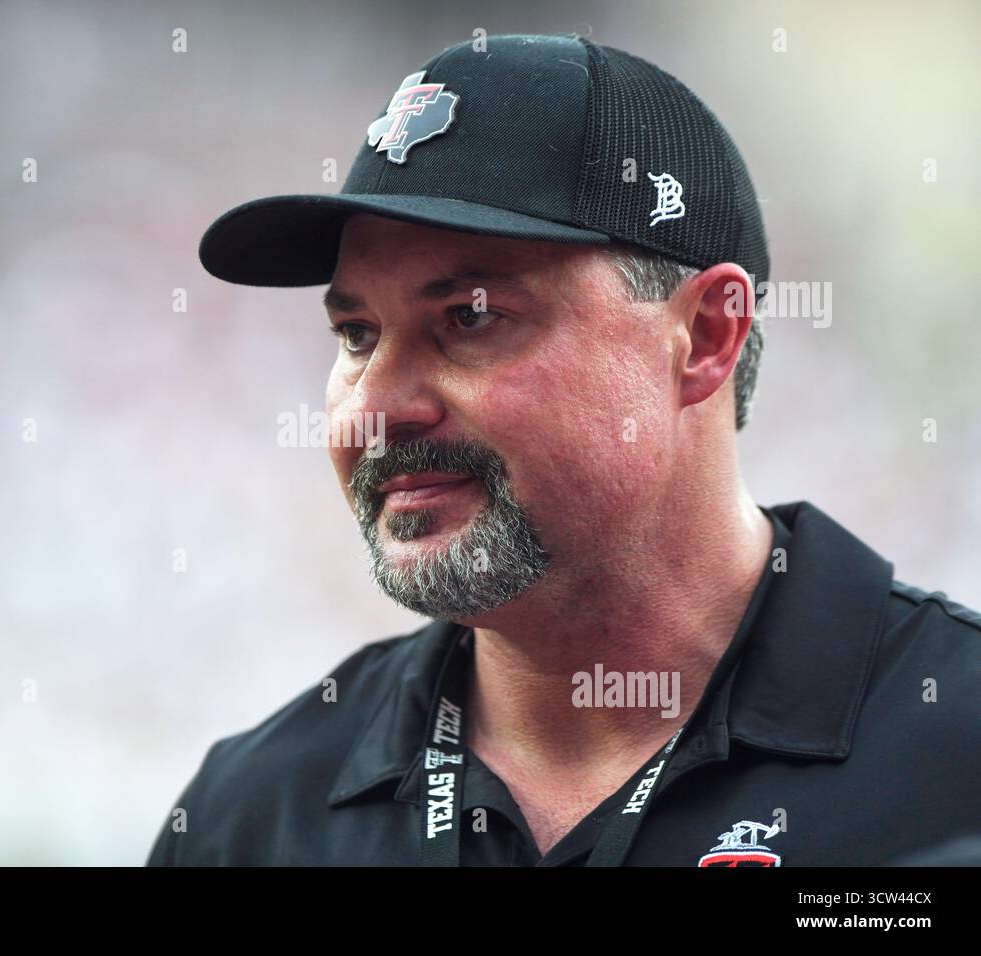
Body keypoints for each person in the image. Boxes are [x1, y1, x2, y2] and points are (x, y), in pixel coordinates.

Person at [146, 33, 981, 866]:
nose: (374, 410)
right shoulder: (250, 816)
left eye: (469, 317)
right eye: (357, 334)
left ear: (704, 335)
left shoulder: (954, 747)